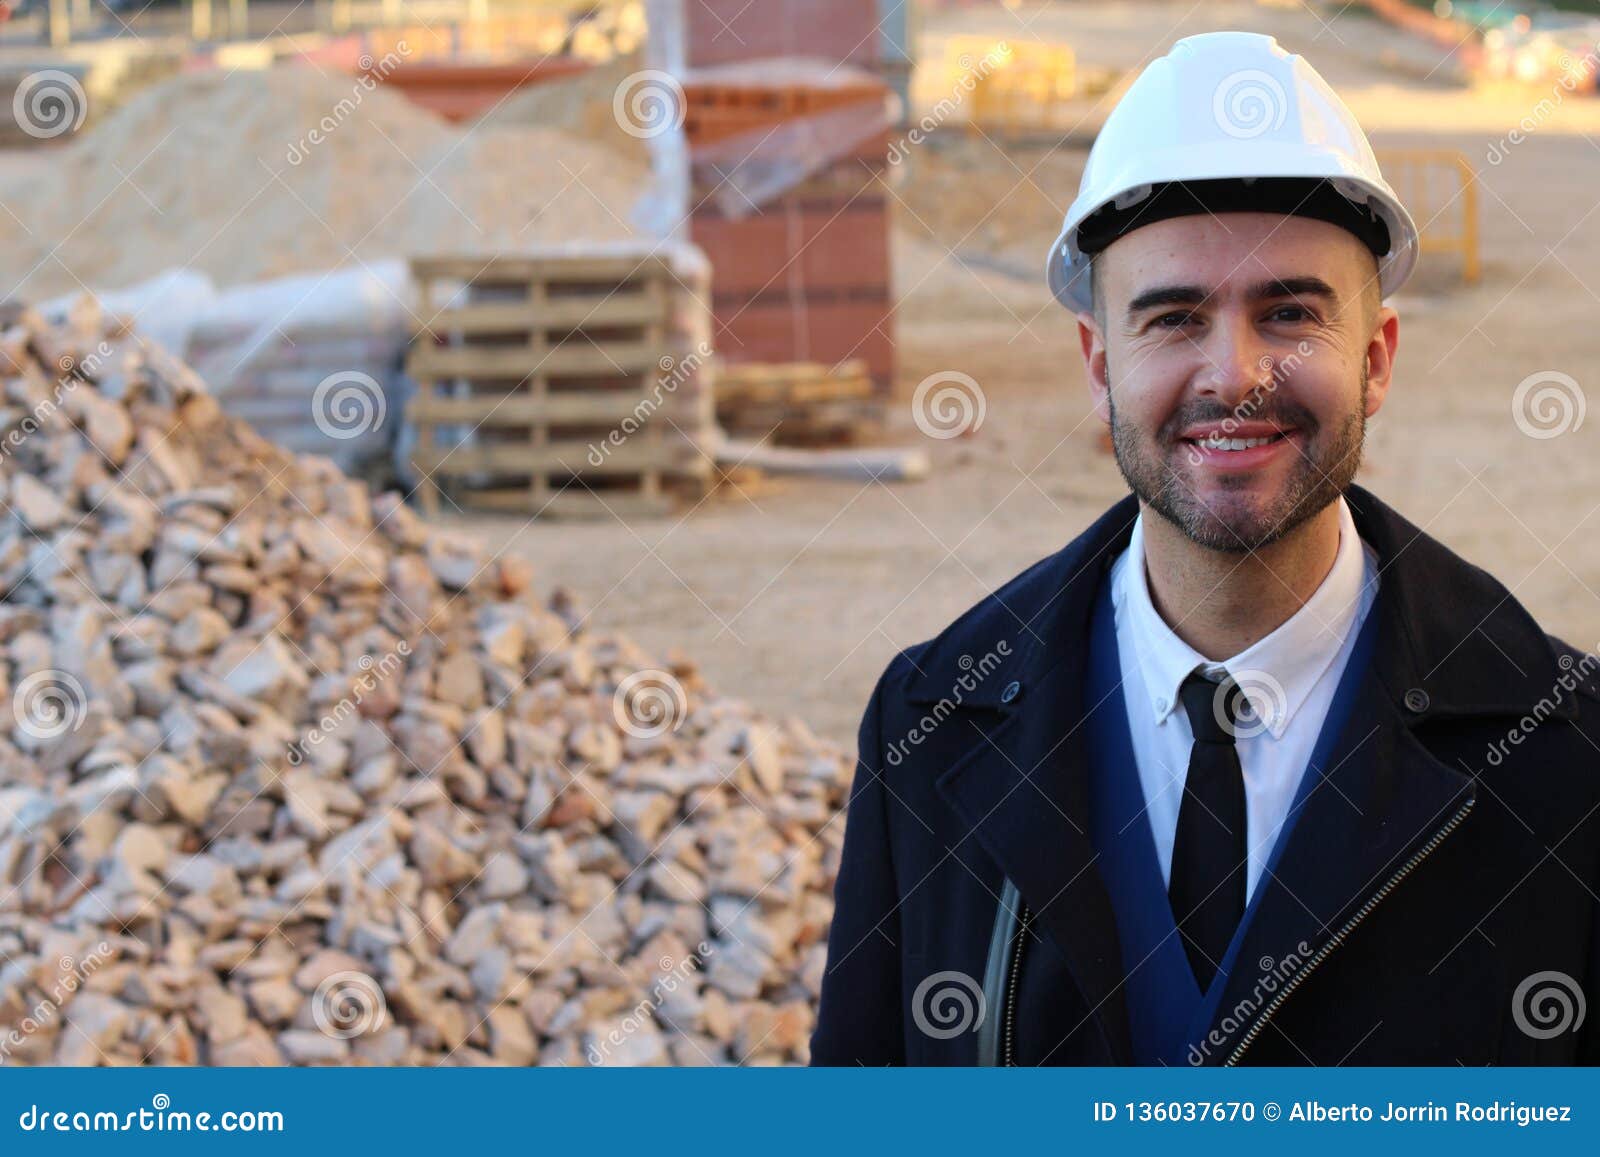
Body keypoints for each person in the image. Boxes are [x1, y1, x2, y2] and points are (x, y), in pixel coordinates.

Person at [809, 31, 1600, 1066]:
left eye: (1289, 313)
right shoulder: (936, 728)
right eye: (1174, 317)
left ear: (1376, 359)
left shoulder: (1563, 752)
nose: (1235, 375)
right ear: (1098, 366)